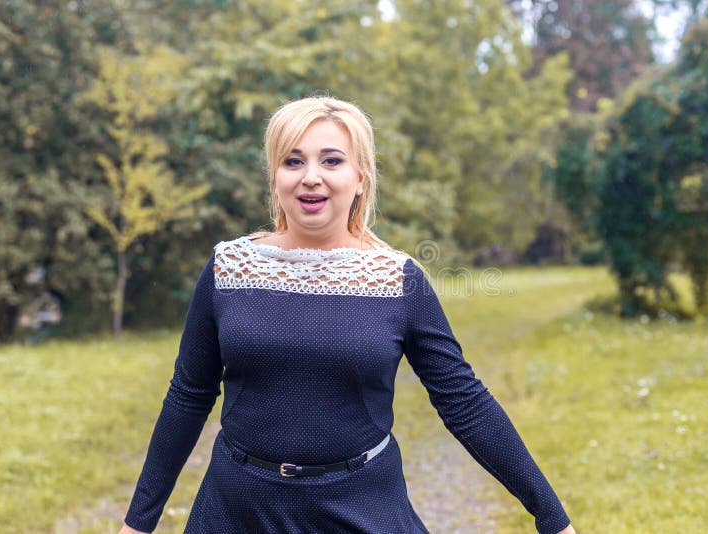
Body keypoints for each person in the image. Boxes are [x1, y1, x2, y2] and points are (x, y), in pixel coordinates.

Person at [120, 96, 576, 534]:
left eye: (331, 161)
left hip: (360, 508)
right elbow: (189, 395)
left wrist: (551, 518)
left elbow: (464, 402)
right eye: (293, 161)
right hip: (236, 510)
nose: (310, 177)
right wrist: (138, 522)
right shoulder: (229, 269)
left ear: (360, 177)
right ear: (275, 176)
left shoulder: (397, 279)